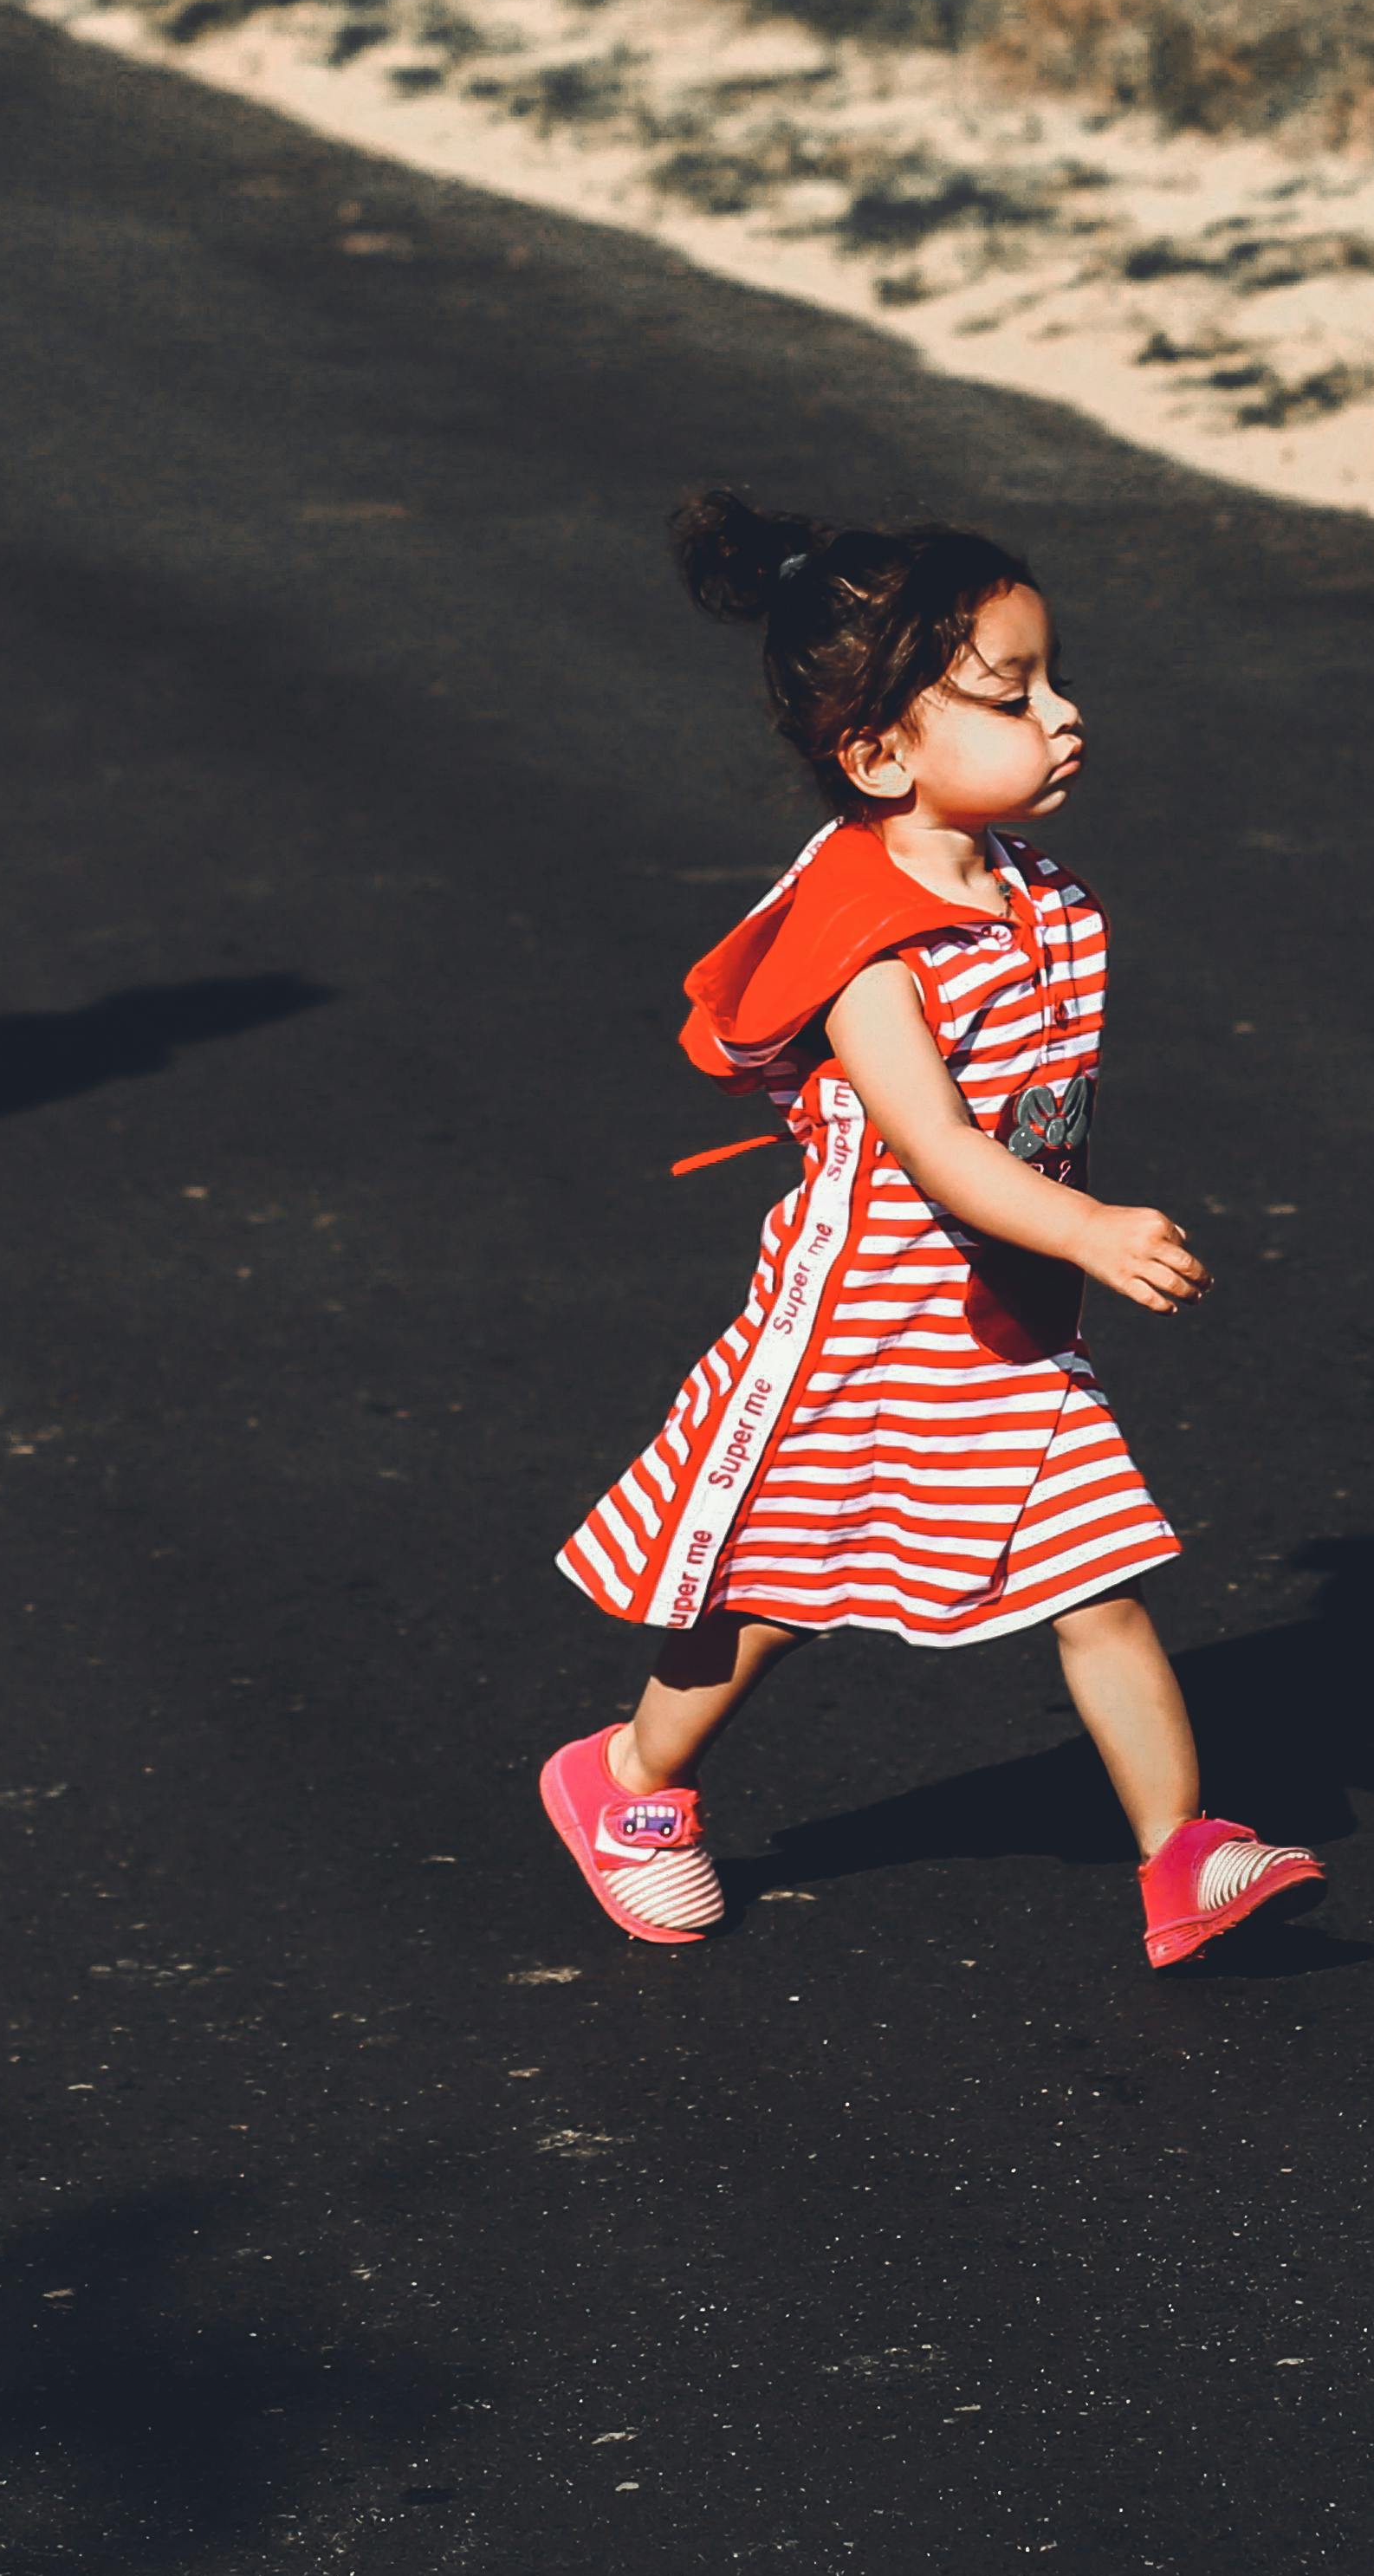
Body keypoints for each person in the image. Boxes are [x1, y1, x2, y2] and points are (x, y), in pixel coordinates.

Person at [542, 489, 1320, 1969]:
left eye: (1055, 679)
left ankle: (1183, 1856)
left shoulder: (1033, 894)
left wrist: (1061, 1247)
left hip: (1001, 1326)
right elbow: (949, 1156)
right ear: (880, 753)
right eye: (1012, 696)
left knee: (1095, 1570)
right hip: (863, 1321)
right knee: (770, 1583)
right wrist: (1088, 1231)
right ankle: (630, 1782)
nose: (1064, 716)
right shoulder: (864, 945)